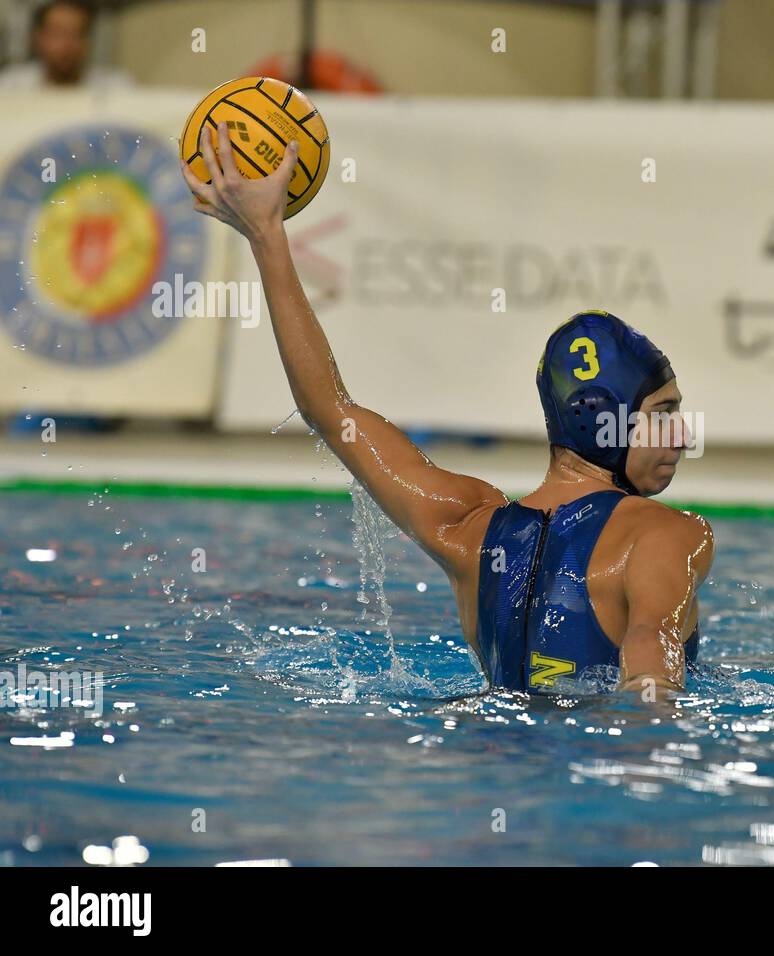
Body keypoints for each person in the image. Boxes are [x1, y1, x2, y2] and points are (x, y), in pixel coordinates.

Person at [180, 122, 713, 698]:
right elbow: (650, 653)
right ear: (602, 418)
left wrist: (266, 235)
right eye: (663, 412)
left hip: (485, 757)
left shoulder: (467, 530)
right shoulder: (669, 533)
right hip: (601, 757)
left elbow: (330, 410)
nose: (683, 435)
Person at [0, 0, 132, 90]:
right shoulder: (11, 86)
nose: (67, 45)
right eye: (58, 33)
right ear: (38, 38)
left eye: (77, 33)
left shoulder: (116, 87)